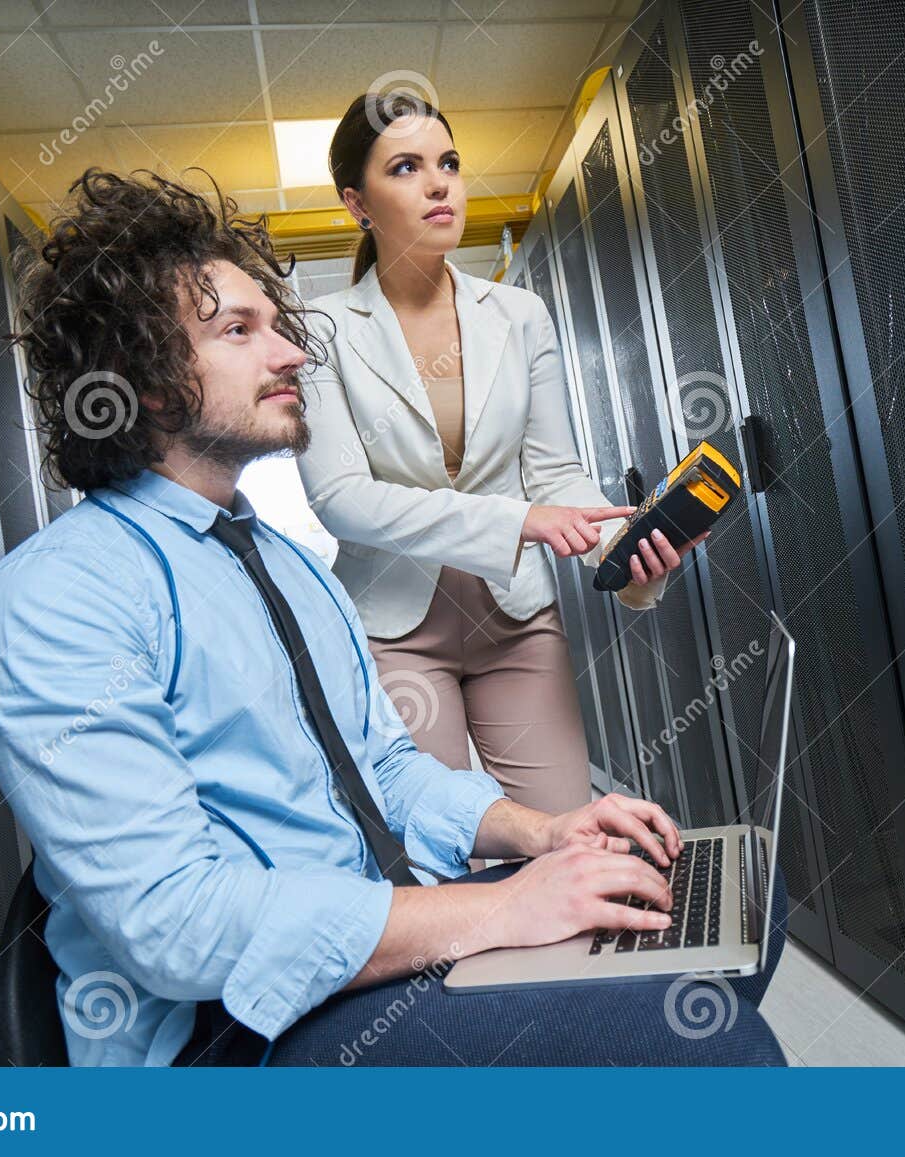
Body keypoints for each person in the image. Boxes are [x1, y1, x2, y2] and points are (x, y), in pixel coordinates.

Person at [0, 167, 784, 1067]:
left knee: (727, 903)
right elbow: (174, 924)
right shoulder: (55, 600)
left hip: (382, 935)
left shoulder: (285, 563)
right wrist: (500, 907)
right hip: (246, 1030)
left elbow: (384, 769)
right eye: (240, 330)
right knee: (710, 1045)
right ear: (145, 384)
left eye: (277, 326)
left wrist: (542, 834)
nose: (292, 355)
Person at [293, 92, 706, 817]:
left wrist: (627, 541)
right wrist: (519, 521)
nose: (439, 183)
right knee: (441, 847)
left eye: (449, 163)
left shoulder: (520, 315)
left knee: (563, 829)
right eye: (407, 167)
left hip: (515, 619)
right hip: (393, 632)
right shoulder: (322, 330)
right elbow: (341, 498)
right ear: (357, 202)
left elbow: (555, 475)